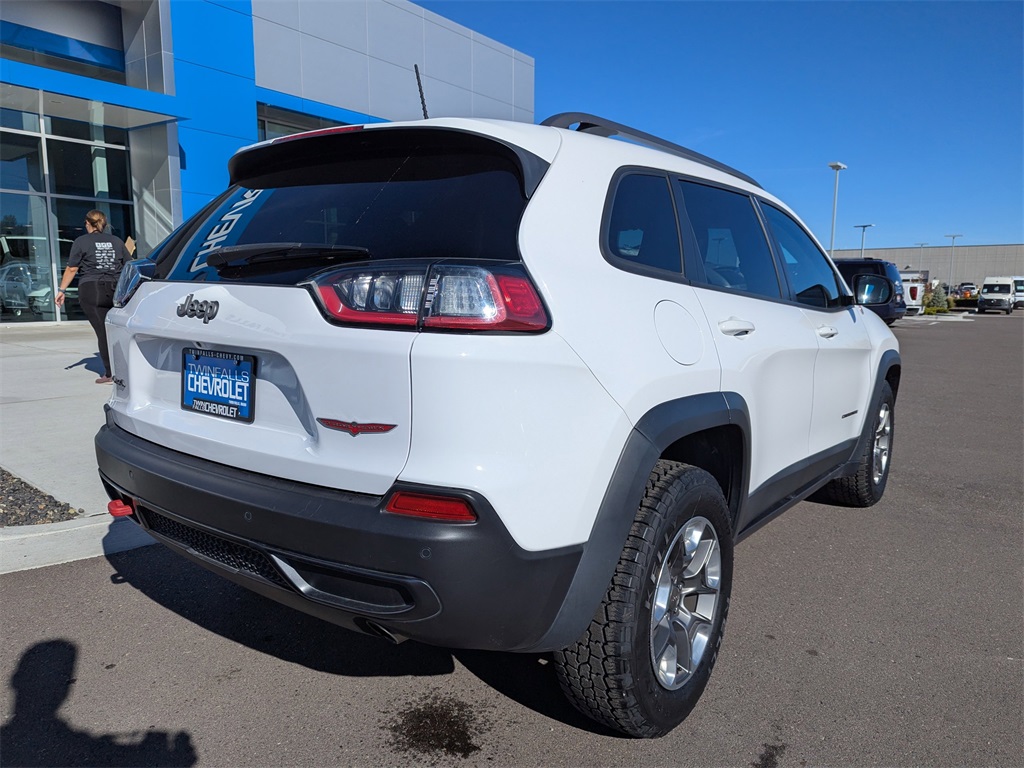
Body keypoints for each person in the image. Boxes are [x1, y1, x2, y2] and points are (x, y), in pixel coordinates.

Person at [55, 210, 131, 383]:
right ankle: (126, 368)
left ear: (88, 223)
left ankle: (110, 373)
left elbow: (72, 268)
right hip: (115, 289)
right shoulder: (116, 241)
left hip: (91, 289)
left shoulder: (82, 241)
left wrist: (62, 290)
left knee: (103, 332)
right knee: (116, 330)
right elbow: (129, 265)